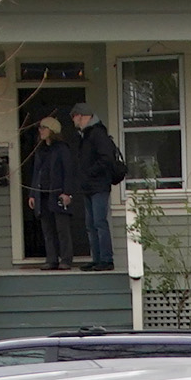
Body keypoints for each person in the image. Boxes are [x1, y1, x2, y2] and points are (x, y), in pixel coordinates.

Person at [66, 102, 128, 270]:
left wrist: (89, 173)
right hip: (89, 186)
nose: (73, 121)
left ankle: (106, 260)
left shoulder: (97, 133)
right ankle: (97, 258)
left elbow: (106, 159)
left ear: (81, 115)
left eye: (74, 117)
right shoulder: (85, 135)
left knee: (99, 222)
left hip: (99, 185)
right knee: (91, 224)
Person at [24, 114, 78, 269]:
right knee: (47, 229)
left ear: (52, 130)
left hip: (58, 194)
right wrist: (33, 194)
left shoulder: (62, 149)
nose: (40, 130)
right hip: (42, 195)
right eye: (40, 128)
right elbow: (36, 173)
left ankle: (66, 259)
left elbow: (68, 172)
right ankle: (51, 259)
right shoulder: (40, 150)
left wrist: (67, 193)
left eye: (43, 127)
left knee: (62, 229)